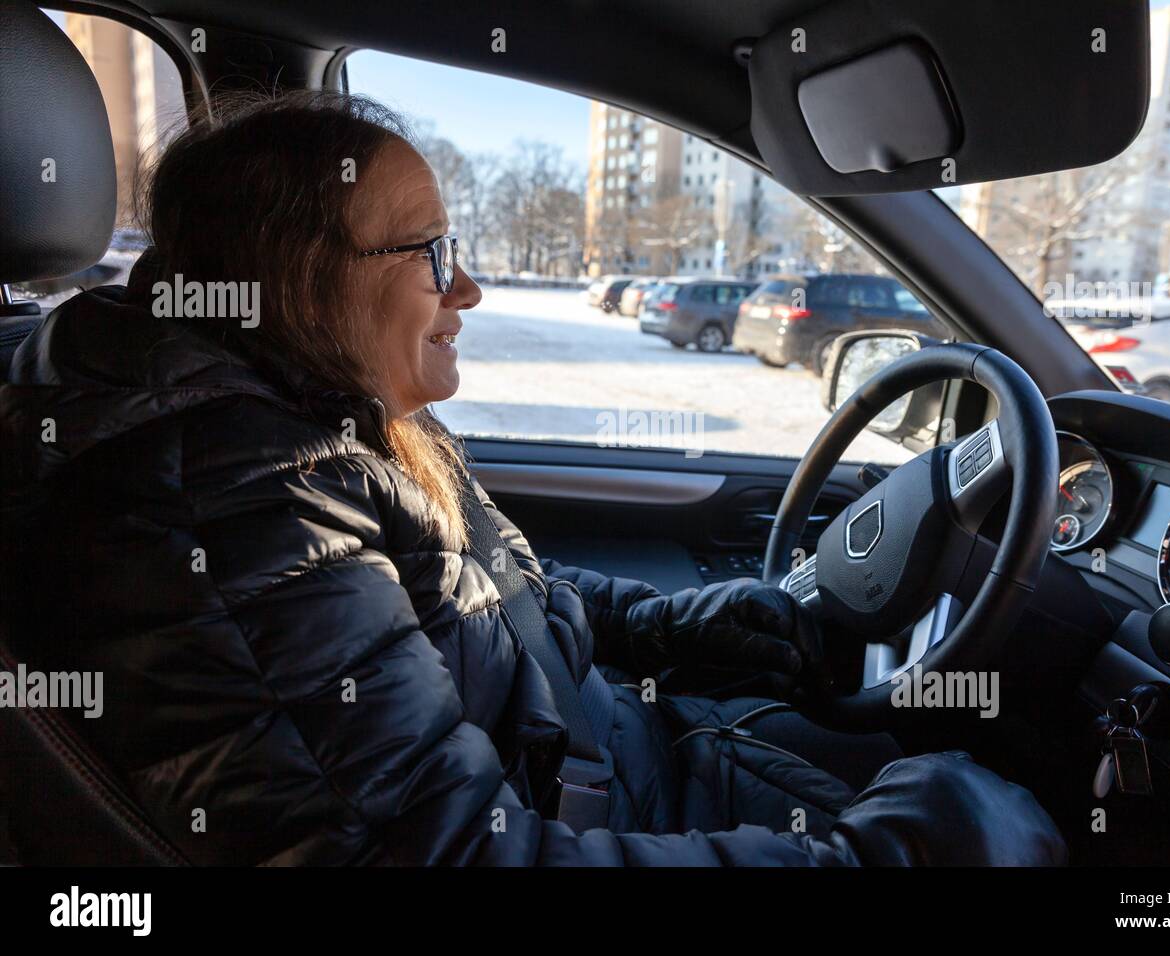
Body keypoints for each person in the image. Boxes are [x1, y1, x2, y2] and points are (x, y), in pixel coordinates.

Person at [0, 92, 1065, 865]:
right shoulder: (231, 504)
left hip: (608, 761)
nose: (463, 283)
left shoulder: (319, 422)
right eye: (425, 251)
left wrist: (676, 629)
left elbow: (491, 597)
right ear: (297, 276)